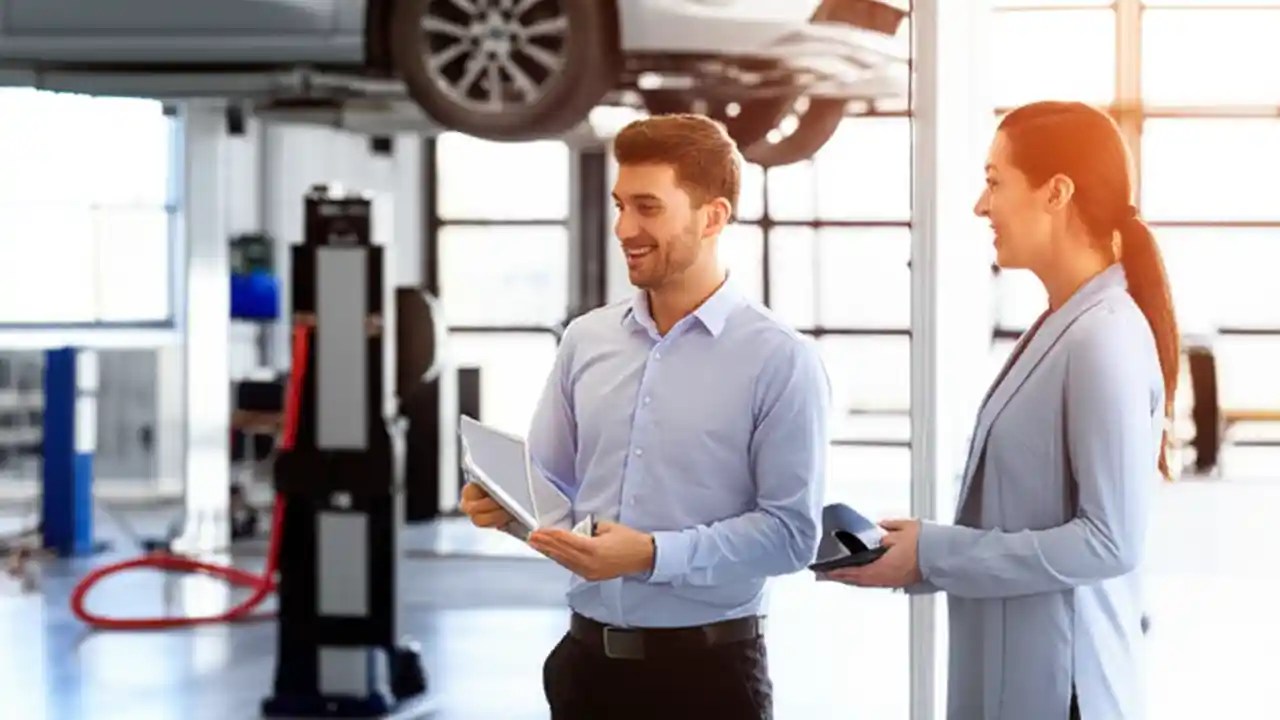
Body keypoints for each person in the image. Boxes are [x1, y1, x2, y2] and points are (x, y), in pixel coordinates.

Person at [459, 113, 830, 719]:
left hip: (708, 683)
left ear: (713, 217)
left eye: (648, 207)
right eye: (620, 205)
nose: (624, 227)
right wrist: (503, 508)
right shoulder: (587, 339)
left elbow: (791, 535)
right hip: (585, 672)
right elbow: (549, 490)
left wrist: (652, 554)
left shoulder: (779, 358)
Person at [823, 101, 1178, 720]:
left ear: (1056, 193)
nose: (980, 206)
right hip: (1025, 677)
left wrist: (938, 553)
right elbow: (1029, 514)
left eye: (994, 182)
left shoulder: (1103, 337)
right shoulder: (1064, 326)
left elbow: (1109, 543)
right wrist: (919, 554)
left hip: (1065, 688)